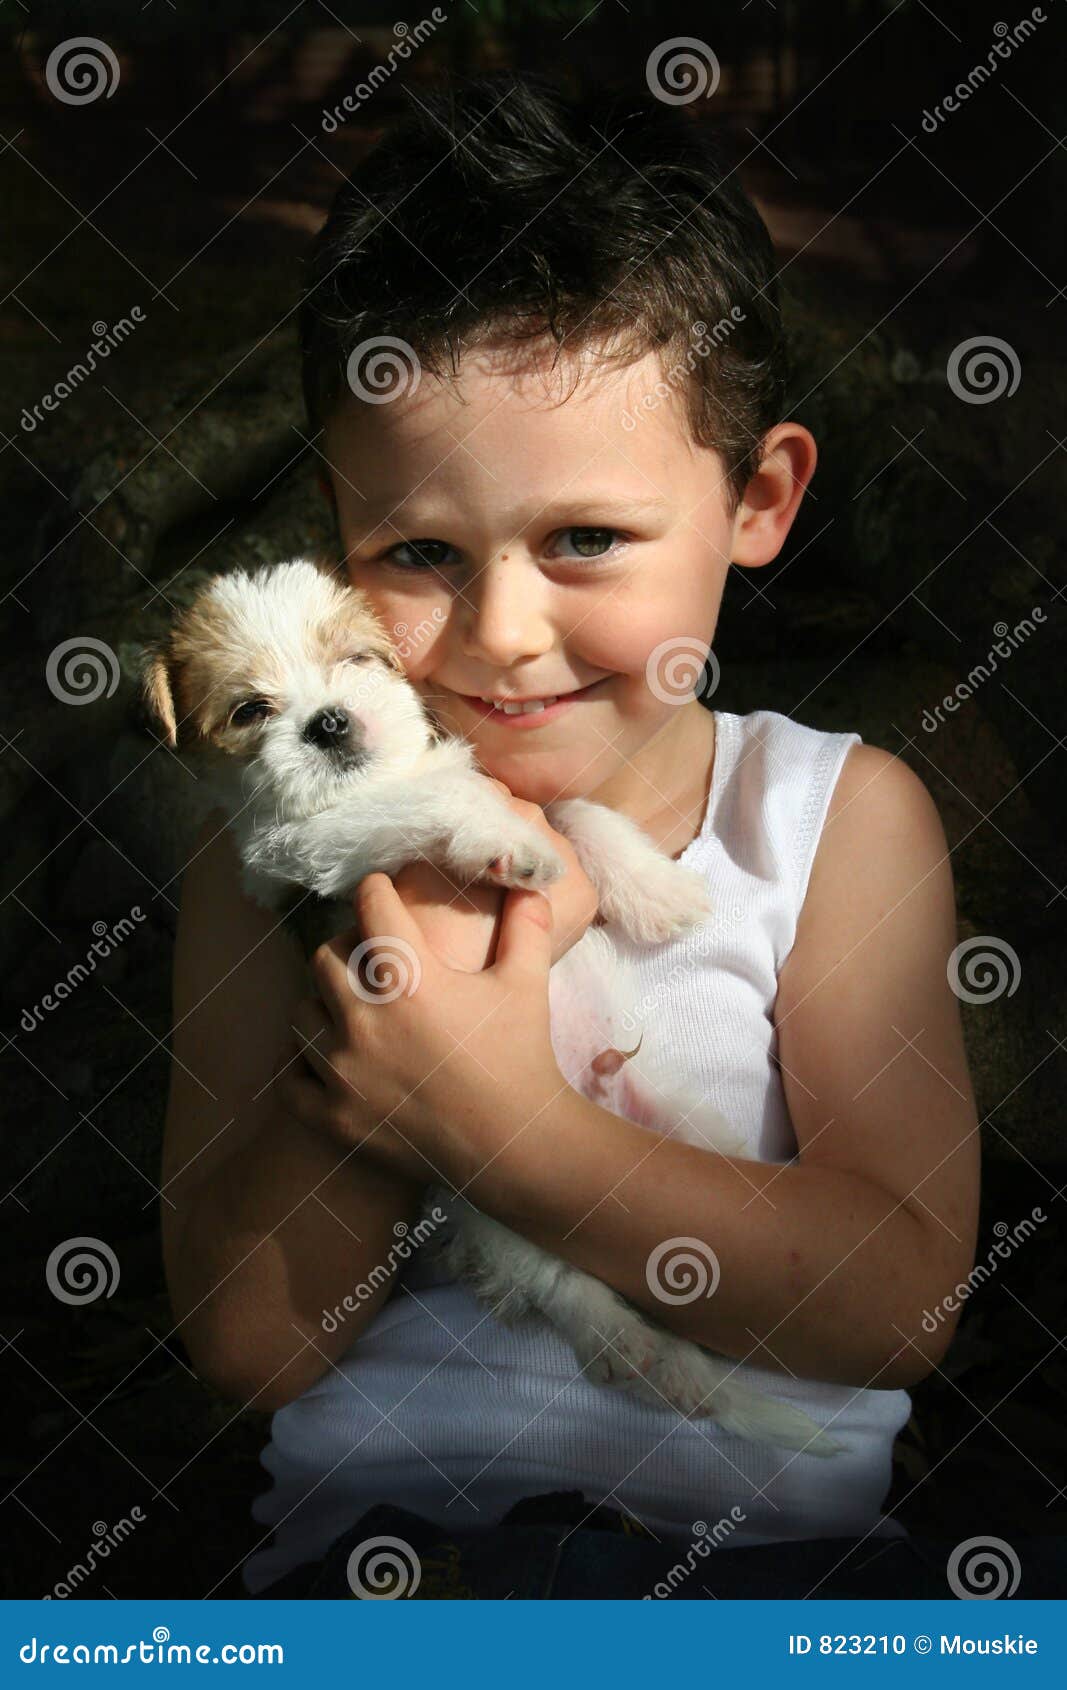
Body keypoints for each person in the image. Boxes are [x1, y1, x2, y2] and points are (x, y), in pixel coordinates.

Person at [161, 74, 980, 1600]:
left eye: (585, 539)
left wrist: (499, 1129)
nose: (504, 632)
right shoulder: (270, 858)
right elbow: (251, 1338)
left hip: (777, 1583)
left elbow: (898, 1296)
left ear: (760, 498)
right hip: (387, 1571)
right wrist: (377, 1018)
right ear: (333, 533)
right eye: (416, 551)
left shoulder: (829, 819)